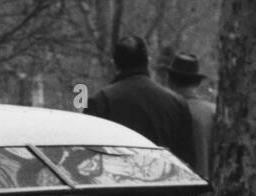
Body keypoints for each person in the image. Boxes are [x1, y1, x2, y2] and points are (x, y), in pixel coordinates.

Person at [84, 36, 196, 169]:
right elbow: (187, 160)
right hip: (164, 183)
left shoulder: (100, 101)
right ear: (147, 61)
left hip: (115, 183)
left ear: (114, 63)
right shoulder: (177, 103)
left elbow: (88, 159)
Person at [160, 51, 215, 180]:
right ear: (197, 83)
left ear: (170, 81)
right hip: (211, 188)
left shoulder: (165, 111)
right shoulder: (213, 112)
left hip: (176, 185)